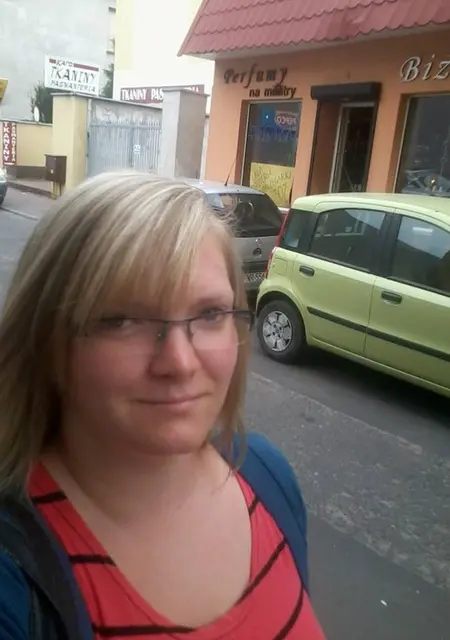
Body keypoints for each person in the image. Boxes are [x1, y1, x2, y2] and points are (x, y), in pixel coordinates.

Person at [0, 172, 325, 639]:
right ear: (47, 342)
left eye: (210, 313)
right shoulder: (15, 575)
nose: (179, 362)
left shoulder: (267, 477)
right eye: (122, 320)